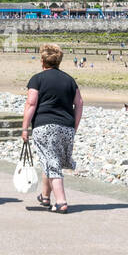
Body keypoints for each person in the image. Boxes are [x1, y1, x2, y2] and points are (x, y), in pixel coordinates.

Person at [22, 42, 83, 214]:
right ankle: (45, 196)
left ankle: (61, 201)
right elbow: (79, 103)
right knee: (49, 159)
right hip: (66, 126)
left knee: (52, 163)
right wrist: (74, 126)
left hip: (45, 125)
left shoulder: (37, 79)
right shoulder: (69, 80)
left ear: (42, 61)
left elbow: (31, 103)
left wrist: (25, 128)